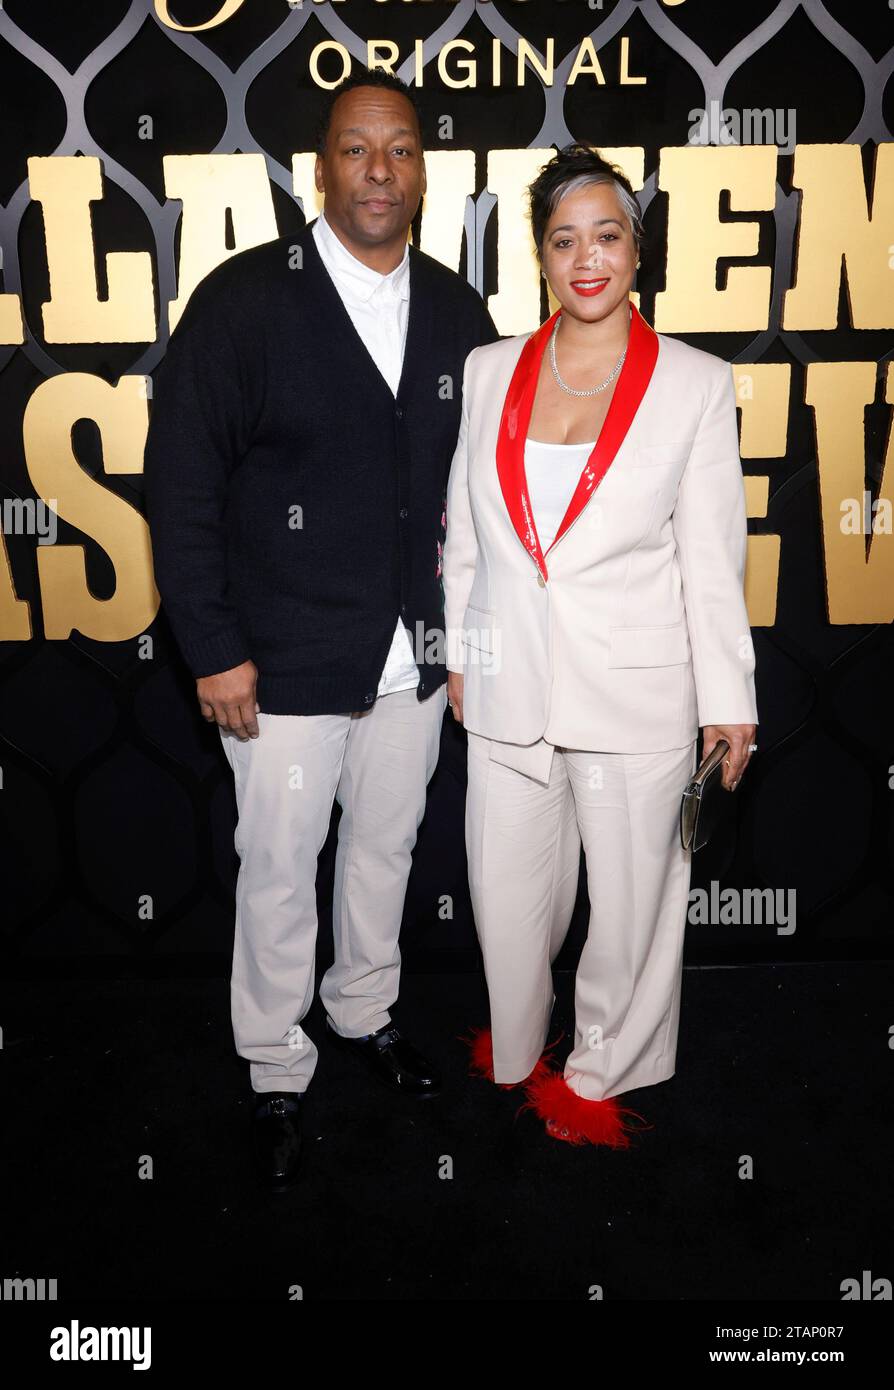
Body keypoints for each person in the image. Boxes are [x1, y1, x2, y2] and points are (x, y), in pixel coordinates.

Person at [144, 68, 500, 1191]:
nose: (380, 169)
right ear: (319, 169)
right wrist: (210, 644)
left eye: (400, 149)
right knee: (280, 867)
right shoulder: (247, 301)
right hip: (278, 663)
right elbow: (183, 482)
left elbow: (481, 496)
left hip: (413, 662)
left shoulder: (456, 310)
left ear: (424, 171)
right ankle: (273, 1064)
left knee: (386, 852)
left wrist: (462, 647)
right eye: (357, 149)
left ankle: (363, 1010)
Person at [442, 143, 758, 1148]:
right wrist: (462, 651)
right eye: (565, 239)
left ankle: (600, 1068)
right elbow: (464, 534)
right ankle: (521, 1033)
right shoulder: (490, 370)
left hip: (636, 691)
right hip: (506, 686)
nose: (588, 259)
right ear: (541, 255)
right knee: (507, 894)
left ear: (637, 249)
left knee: (630, 903)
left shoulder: (698, 386)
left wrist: (730, 699)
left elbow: (713, 560)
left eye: (607, 236)